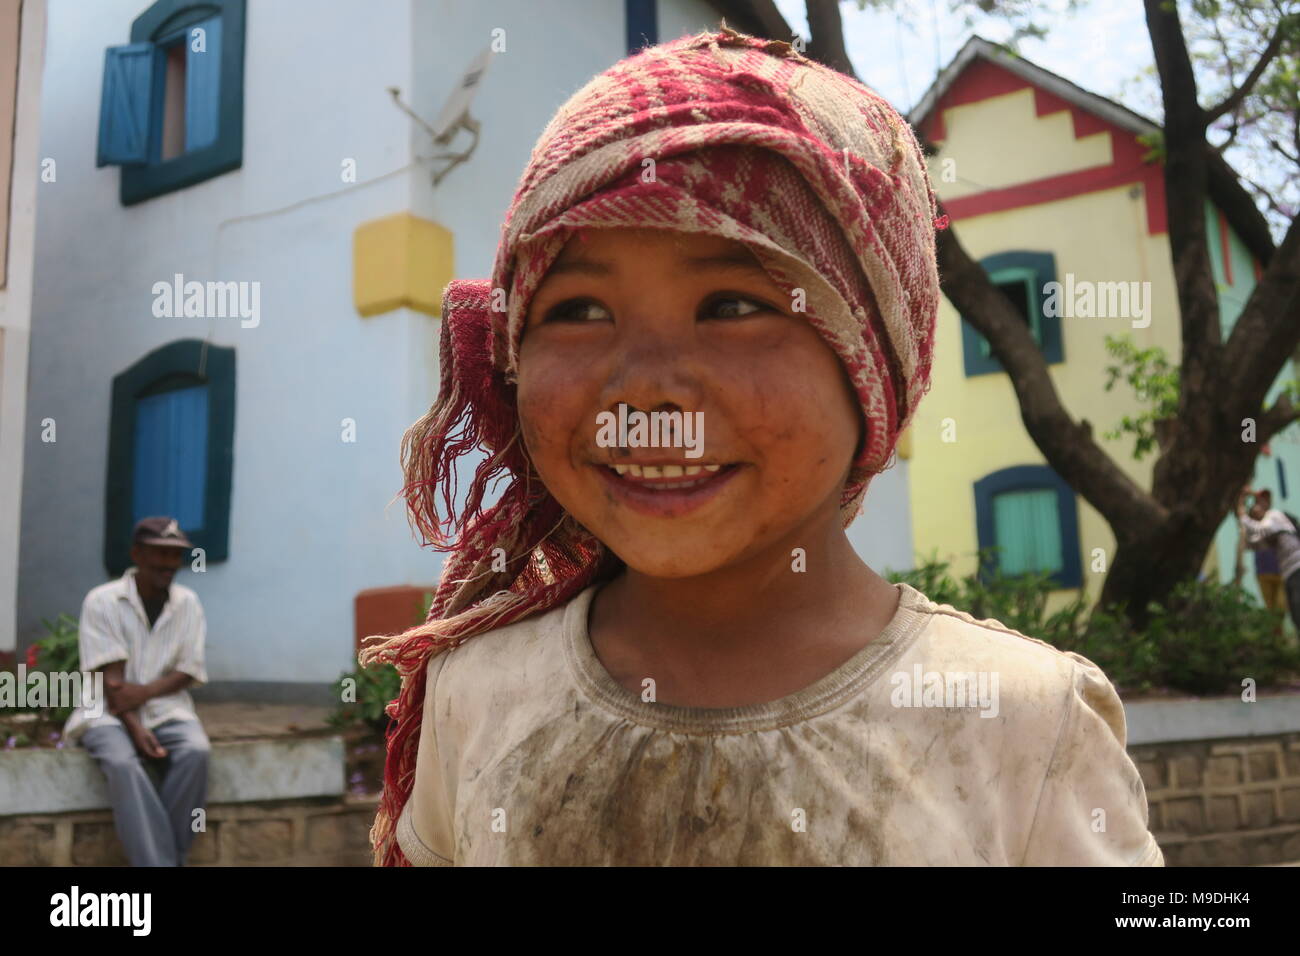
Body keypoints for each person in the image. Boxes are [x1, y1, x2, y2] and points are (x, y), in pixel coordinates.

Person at [361, 27, 1162, 866]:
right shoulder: (480, 693)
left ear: (874, 365)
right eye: (577, 311)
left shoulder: (1021, 720)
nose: (644, 388)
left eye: (734, 306)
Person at [64, 516, 211, 866]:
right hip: (105, 711)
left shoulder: (187, 602)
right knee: (122, 763)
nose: (168, 564)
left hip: (167, 709)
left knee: (196, 752)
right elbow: (111, 681)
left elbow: (188, 670)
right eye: (159, 554)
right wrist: (136, 727)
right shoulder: (103, 601)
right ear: (136, 554)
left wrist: (142, 694)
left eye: (174, 556)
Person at [1236, 487, 1300, 632]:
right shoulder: (1263, 534)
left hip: (1297, 568)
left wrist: (1243, 515)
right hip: (1287, 573)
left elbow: (1260, 529)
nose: (1259, 507)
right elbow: (1250, 543)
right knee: (1294, 614)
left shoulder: (1274, 516)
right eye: (1256, 504)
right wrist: (1241, 503)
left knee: (1290, 607)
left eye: (1262, 503)